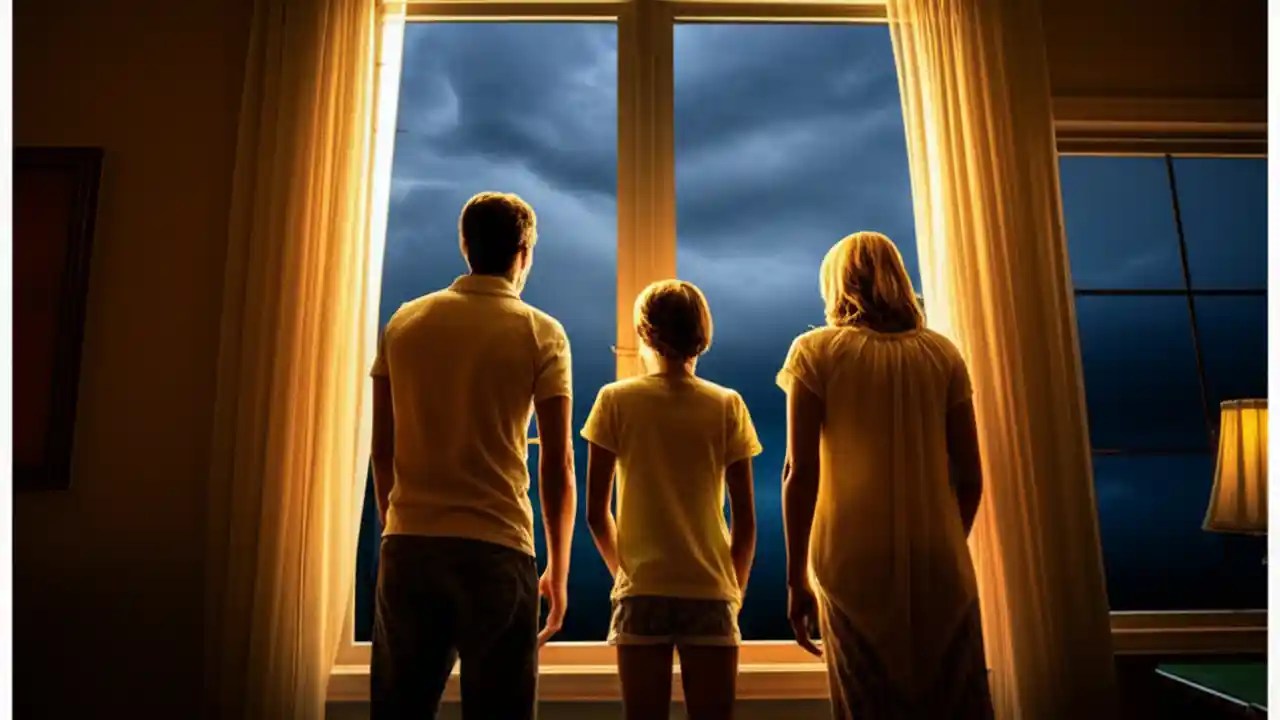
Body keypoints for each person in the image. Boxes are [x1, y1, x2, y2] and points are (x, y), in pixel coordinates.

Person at [369, 191, 577, 719]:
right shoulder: (541, 332)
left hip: (410, 544)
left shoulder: (405, 322)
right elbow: (558, 463)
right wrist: (558, 566)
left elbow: (383, 446)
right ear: (524, 252)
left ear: (465, 245)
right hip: (498, 548)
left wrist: (395, 525)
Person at [777, 232, 993, 719]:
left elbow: (799, 471)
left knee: (869, 706)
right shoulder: (942, 354)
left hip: (852, 560)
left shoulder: (816, 351)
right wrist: (945, 541)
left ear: (837, 285)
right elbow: (971, 475)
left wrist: (795, 579)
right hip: (940, 560)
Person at [582, 280, 761, 720]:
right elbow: (747, 522)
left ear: (645, 333)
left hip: (642, 590)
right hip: (710, 590)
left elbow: (595, 513)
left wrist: (626, 572)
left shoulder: (615, 400)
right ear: (703, 332)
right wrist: (733, 592)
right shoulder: (727, 405)